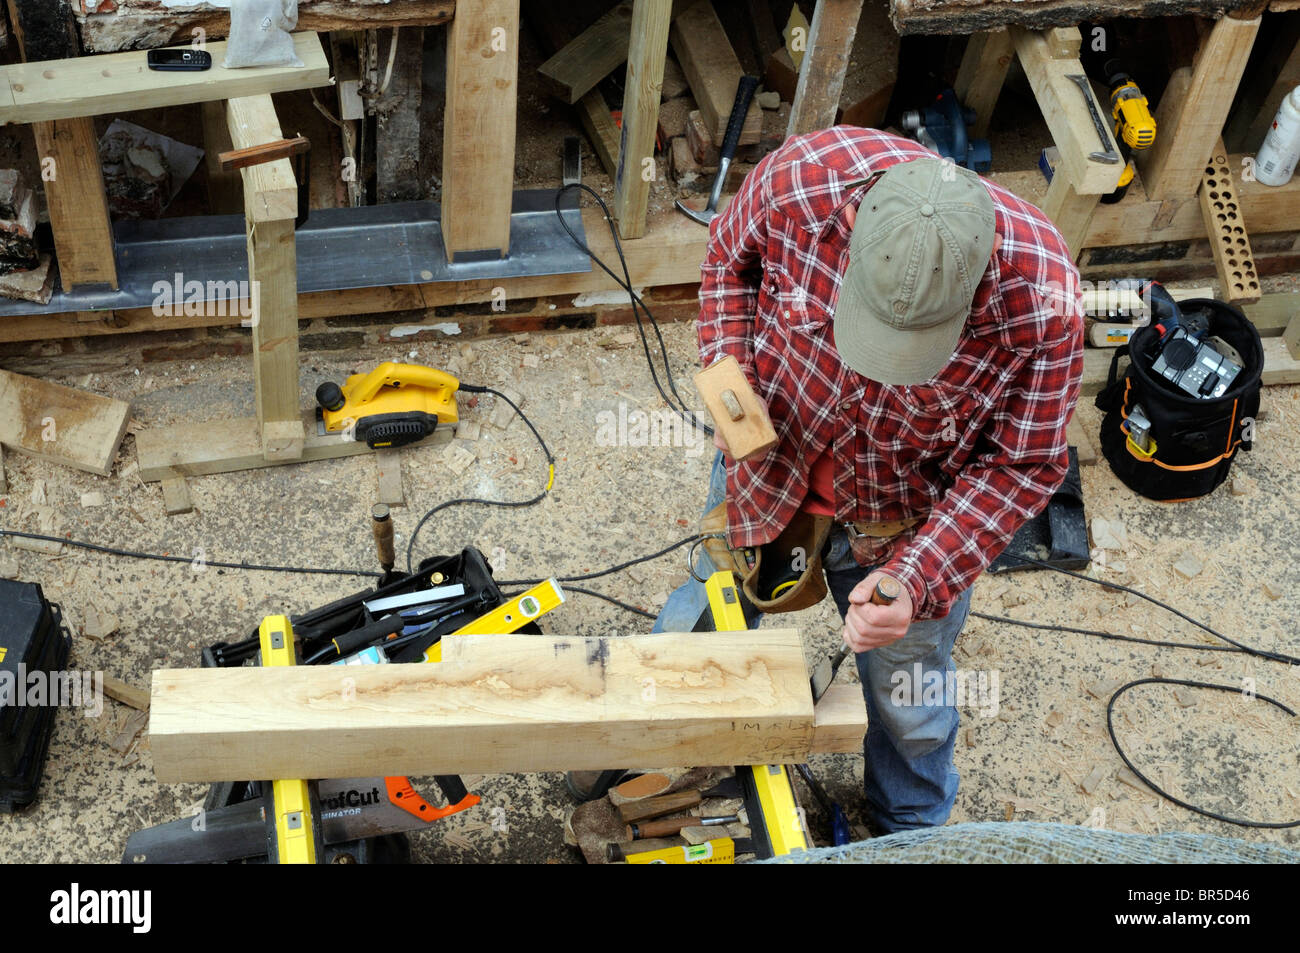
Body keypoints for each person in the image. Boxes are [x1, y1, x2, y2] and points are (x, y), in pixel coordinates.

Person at [655, 126, 1084, 833]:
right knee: (702, 625)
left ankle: (909, 829)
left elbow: (1021, 465)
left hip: (905, 522)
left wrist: (916, 580)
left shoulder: (1043, 300)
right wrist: (734, 383)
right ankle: (650, 749)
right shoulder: (804, 180)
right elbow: (729, 263)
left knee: (909, 700)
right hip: (770, 465)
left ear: (980, 283)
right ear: (852, 226)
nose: (883, 368)